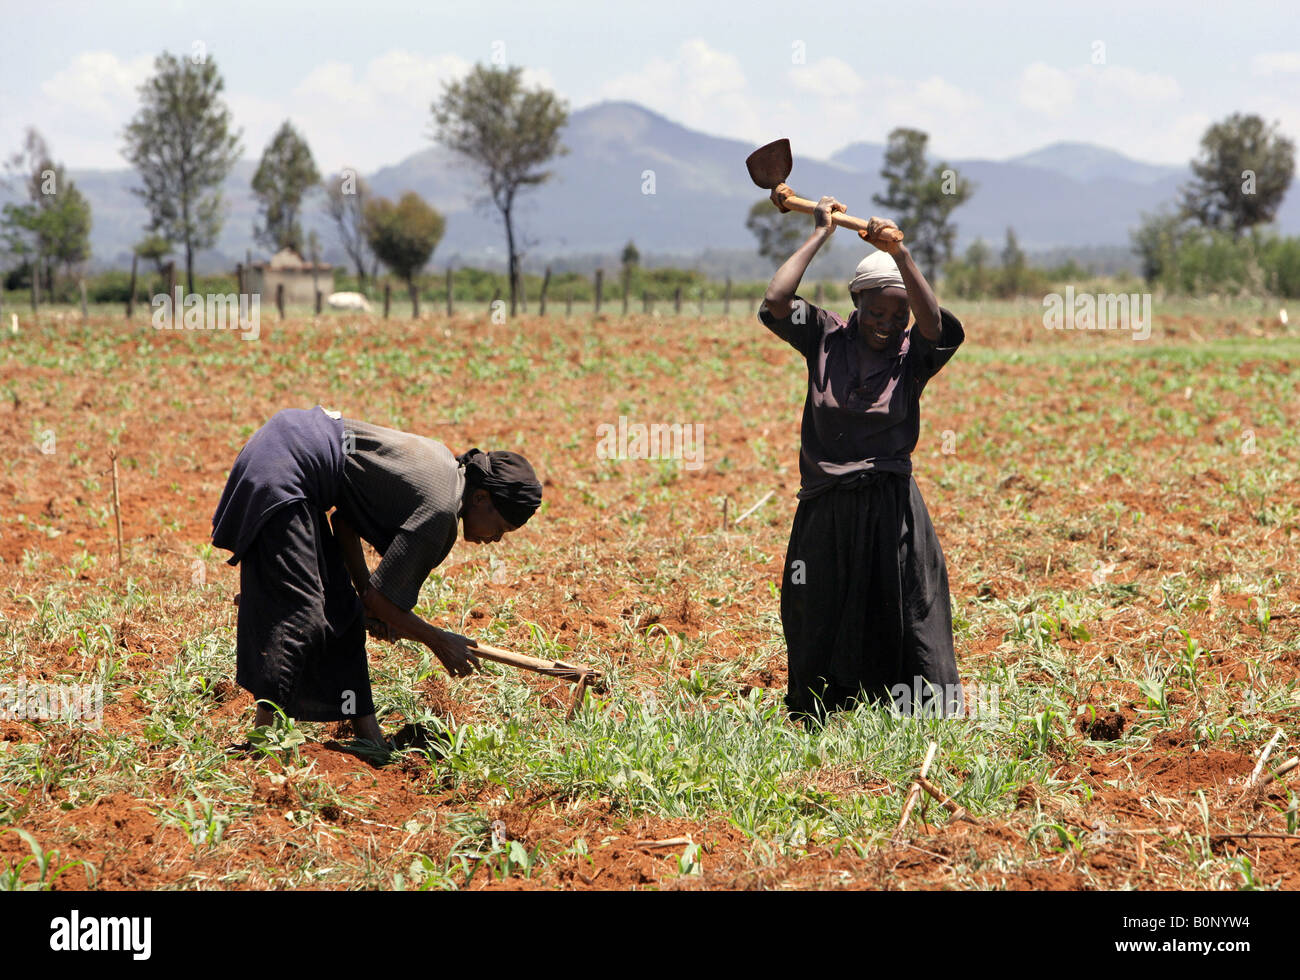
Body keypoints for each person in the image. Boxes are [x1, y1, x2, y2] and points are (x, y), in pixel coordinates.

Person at [211, 406, 542, 746]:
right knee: (302, 617)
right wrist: (438, 640)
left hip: (287, 444)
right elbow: (383, 601)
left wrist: (365, 597)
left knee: (341, 613)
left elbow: (345, 522)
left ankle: (371, 741)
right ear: (481, 497)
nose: (496, 539)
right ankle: (263, 741)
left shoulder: (446, 470)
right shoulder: (441, 515)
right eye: (500, 527)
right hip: (284, 467)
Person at [758, 197, 964, 721]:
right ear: (856, 301)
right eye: (876, 309)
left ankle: (916, 711)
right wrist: (820, 234)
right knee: (816, 607)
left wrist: (901, 255)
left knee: (906, 608)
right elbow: (778, 299)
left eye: (899, 313)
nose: (887, 322)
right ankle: (815, 709)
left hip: (891, 505)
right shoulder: (825, 336)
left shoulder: (914, 355)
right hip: (826, 504)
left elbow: (936, 325)